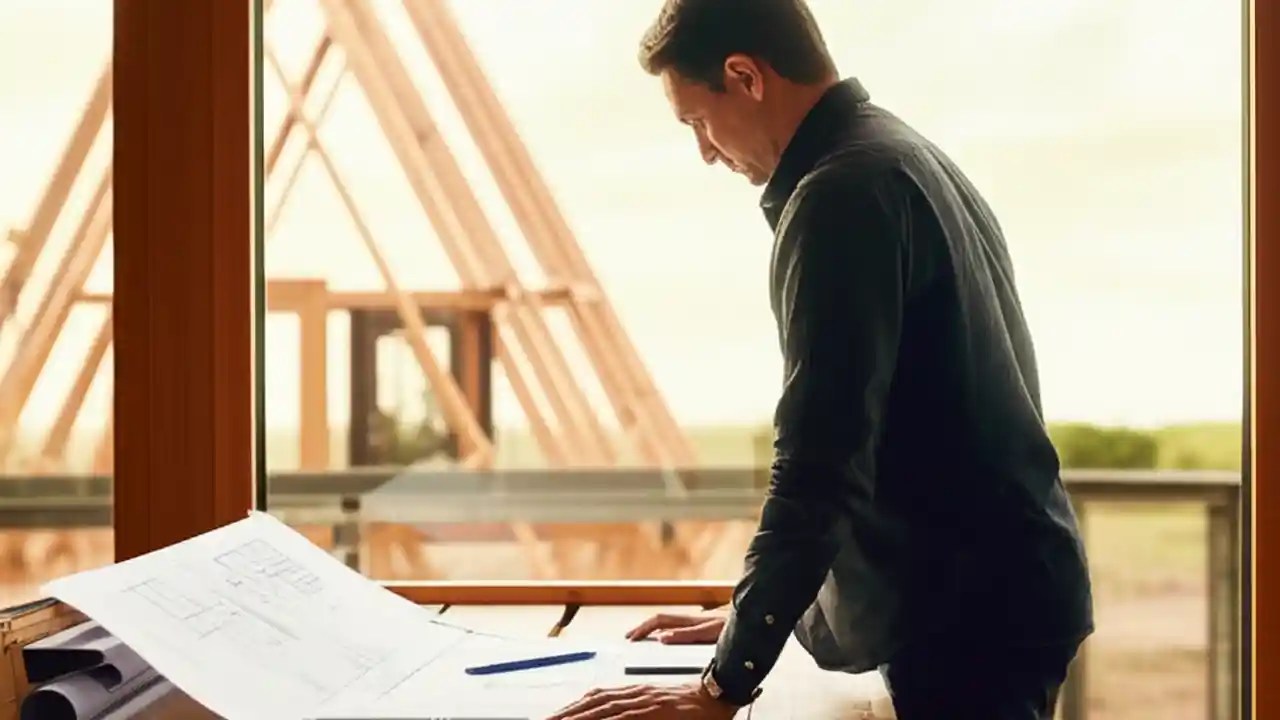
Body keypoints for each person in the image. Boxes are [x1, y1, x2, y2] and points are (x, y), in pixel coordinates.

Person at [548, 0, 1094, 718]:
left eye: (696, 122)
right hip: (1001, 596)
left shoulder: (842, 195)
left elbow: (820, 465)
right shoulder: (902, 155)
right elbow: (924, 430)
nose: (705, 152)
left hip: (967, 622)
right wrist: (766, 625)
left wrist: (720, 688)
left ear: (745, 76)